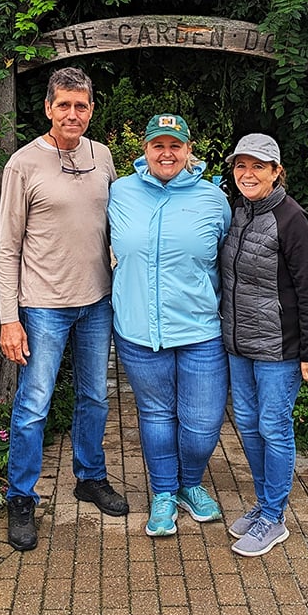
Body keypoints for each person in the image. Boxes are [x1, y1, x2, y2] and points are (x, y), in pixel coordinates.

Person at [0, 66, 129, 552]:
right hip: (43, 306)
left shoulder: (103, 156)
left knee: (95, 397)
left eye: (82, 105)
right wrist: (9, 318)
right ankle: (21, 496)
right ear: (48, 108)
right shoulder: (23, 164)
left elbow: (116, 224)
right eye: (63, 105)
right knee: (34, 404)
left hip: (97, 302)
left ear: (92, 109)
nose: (73, 114)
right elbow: (8, 248)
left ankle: (89, 477)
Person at [108, 114, 232, 537]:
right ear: (144, 149)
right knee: (156, 417)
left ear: (188, 149)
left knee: (201, 426)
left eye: (175, 145)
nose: (167, 153)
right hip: (139, 331)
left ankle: (190, 484)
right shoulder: (119, 192)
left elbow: (229, 261)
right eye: (158, 145)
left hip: (199, 331)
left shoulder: (214, 199)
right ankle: (164, 493)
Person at [220, 133, 308, 557]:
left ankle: (274, 519)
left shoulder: (292, 219)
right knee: (246, 424)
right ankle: (264, 505)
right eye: (241, 166)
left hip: (280, 350)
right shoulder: (239, 212)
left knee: (273, 427)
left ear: (277, 172)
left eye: (258, 166)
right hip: (239, 344)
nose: (248, 174)